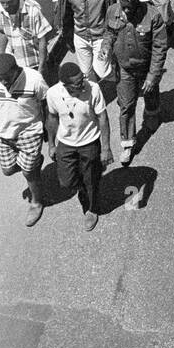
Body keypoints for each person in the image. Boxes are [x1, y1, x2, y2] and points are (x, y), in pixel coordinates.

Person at [101, 0, 168, 164]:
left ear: (138, 2)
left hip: (146, 68)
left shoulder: (153, 16)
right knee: (126, 105)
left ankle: (153, 113)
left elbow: (159, 48)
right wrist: (106, 47)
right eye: (124, 7)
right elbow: (109, 33)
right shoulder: (113, 11)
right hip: (124, 69)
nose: (127, 11)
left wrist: (152, 76)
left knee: (150, 93)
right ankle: (128, 143)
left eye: (131, 7)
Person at [0, 53, 47, 227]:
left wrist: (49, 132)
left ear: (16, 70)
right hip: (4, 134)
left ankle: (37, 202)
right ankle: (34, 161)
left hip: (30, 132)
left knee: (28, 172)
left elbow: (46, 104)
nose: (3, 83)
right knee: (8, 169)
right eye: (0, 78)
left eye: (6, 78)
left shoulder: (34, 80)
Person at [46, 62, 112, 232]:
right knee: (67, 182)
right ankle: (84, 189)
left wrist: (105, 148)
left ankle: (92, 209)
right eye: (76, 83)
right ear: (65, 85)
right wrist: (51, 144)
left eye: (82, 78)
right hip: (66, 143)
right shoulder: (53, 93)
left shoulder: (94, 89)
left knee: (91, 180)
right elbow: (52, 118)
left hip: (89, 142)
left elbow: (103, 118)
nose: (82, 83)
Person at [57, 0, 117, 90]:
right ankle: (95, 98)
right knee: (86, 73)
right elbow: (65, 13)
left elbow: (112, 8)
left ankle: (123, 79)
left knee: (102, 71)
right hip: (80, 37)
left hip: (100, 37)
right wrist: (66, 34)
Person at [0, 0, 51, 78]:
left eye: (9, 2)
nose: (6, 6)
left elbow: (42, 39)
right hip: (17, 67)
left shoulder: (33, 10)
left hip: (36, 64)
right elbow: (2, 32)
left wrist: (41, 68)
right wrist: (0, 55)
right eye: (2, 3)